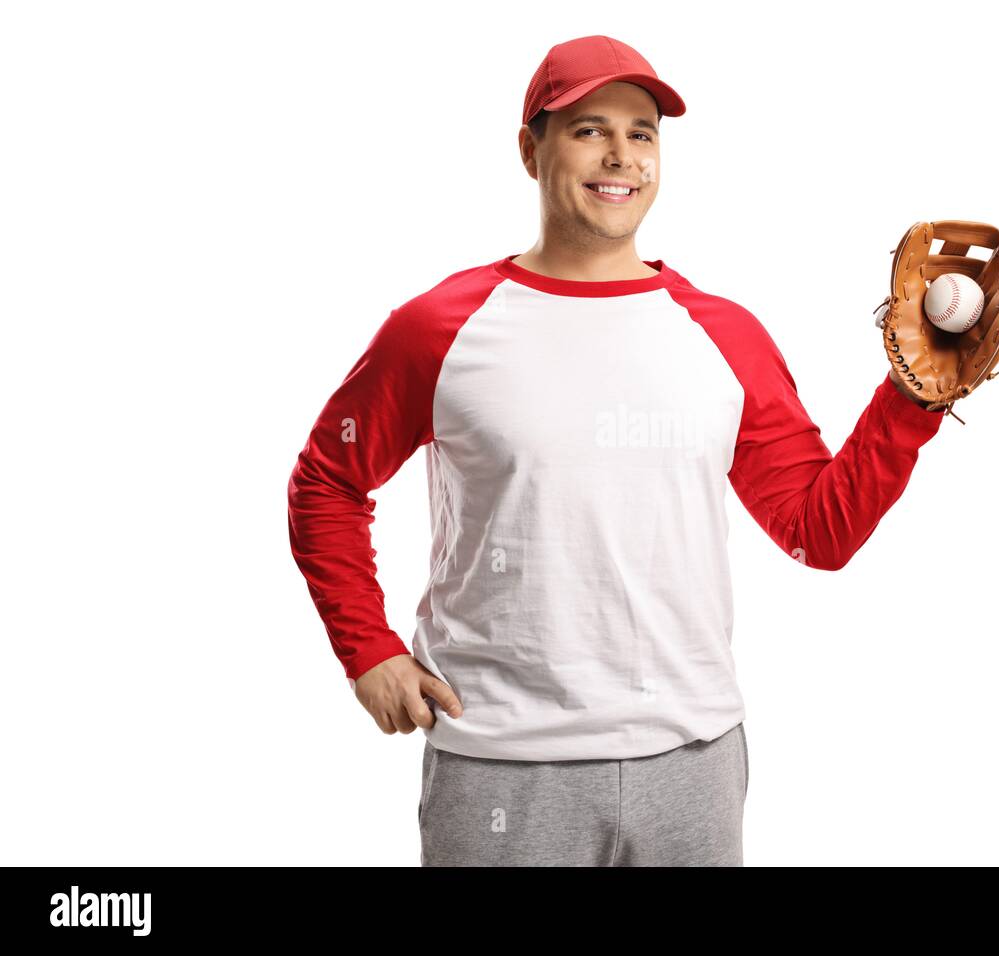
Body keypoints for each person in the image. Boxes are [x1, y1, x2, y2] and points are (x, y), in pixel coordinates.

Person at [286, 35, 944, 867]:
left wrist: (912, 403)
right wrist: (367, 649)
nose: (620, 157)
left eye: (642, 133)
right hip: (501, 764)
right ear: (531, 149)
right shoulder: (440, 329)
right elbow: (327, 482)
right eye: (589, 130)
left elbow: (821, 529)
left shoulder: (725, 335)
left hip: (694, 762)